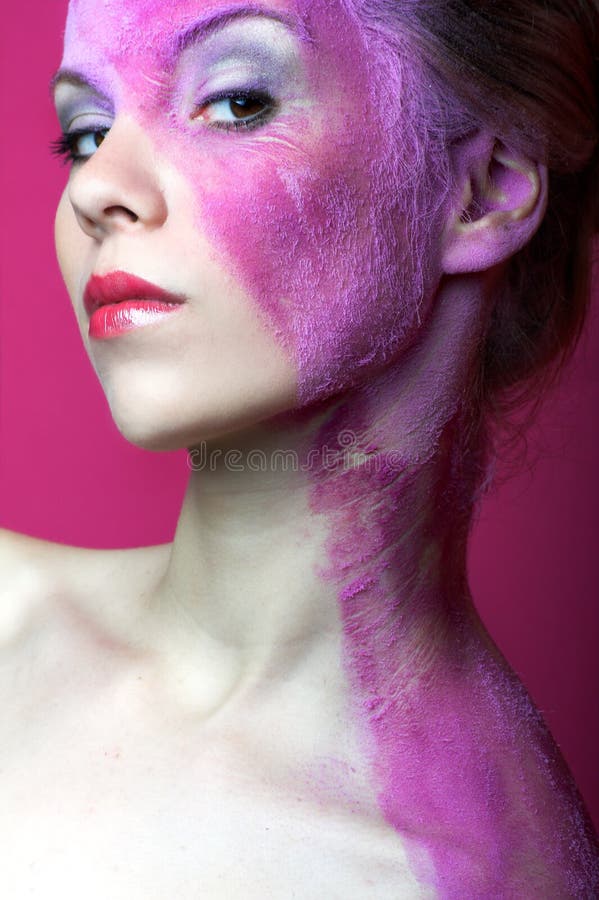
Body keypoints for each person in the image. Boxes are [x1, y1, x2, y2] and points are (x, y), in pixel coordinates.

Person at [0, 0, 597, 895]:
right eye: (85, 132)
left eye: (237, 102)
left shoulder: (458, 876)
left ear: (482, 190)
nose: (95, 187)